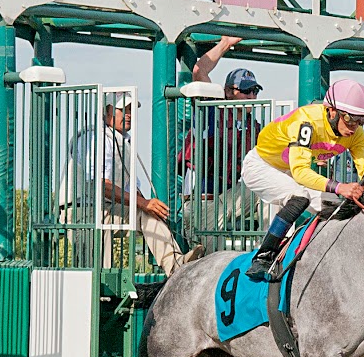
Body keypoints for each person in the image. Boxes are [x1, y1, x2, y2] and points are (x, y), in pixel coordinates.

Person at [242, 79, 364, 281]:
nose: (354, 127)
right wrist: (339, 187)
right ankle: (263, 256)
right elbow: (300, 172)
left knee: (338, 207)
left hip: (287, 170)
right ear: (331, 111)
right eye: (349, 118)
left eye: (361, 121)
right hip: (261, 166)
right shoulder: (307, 122)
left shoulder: (355, 134)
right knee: (300, 197)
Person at [72, 100, 200, 275]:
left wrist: (149, 205)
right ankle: (103, 285)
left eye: (131, 110)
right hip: (82, 209)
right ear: (106, 112)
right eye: (122, 109)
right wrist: (143, 203)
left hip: (108, 208)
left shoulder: (122, 142)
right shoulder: (93, 138)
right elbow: (101, 185)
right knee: (98, 273)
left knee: (146, 212)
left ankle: (176, 265)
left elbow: (130, 188)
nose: (128, 114)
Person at [180, 66, 266, 253]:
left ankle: (267, 251)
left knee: (270, 188)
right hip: (202, 202)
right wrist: (224, 48)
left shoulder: (254, 128)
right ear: (228, 92)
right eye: (246, 91)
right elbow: (199, 72)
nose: (252, 96)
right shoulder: (211, 114)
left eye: (255, 91)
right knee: (209, 260)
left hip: (229, 198)